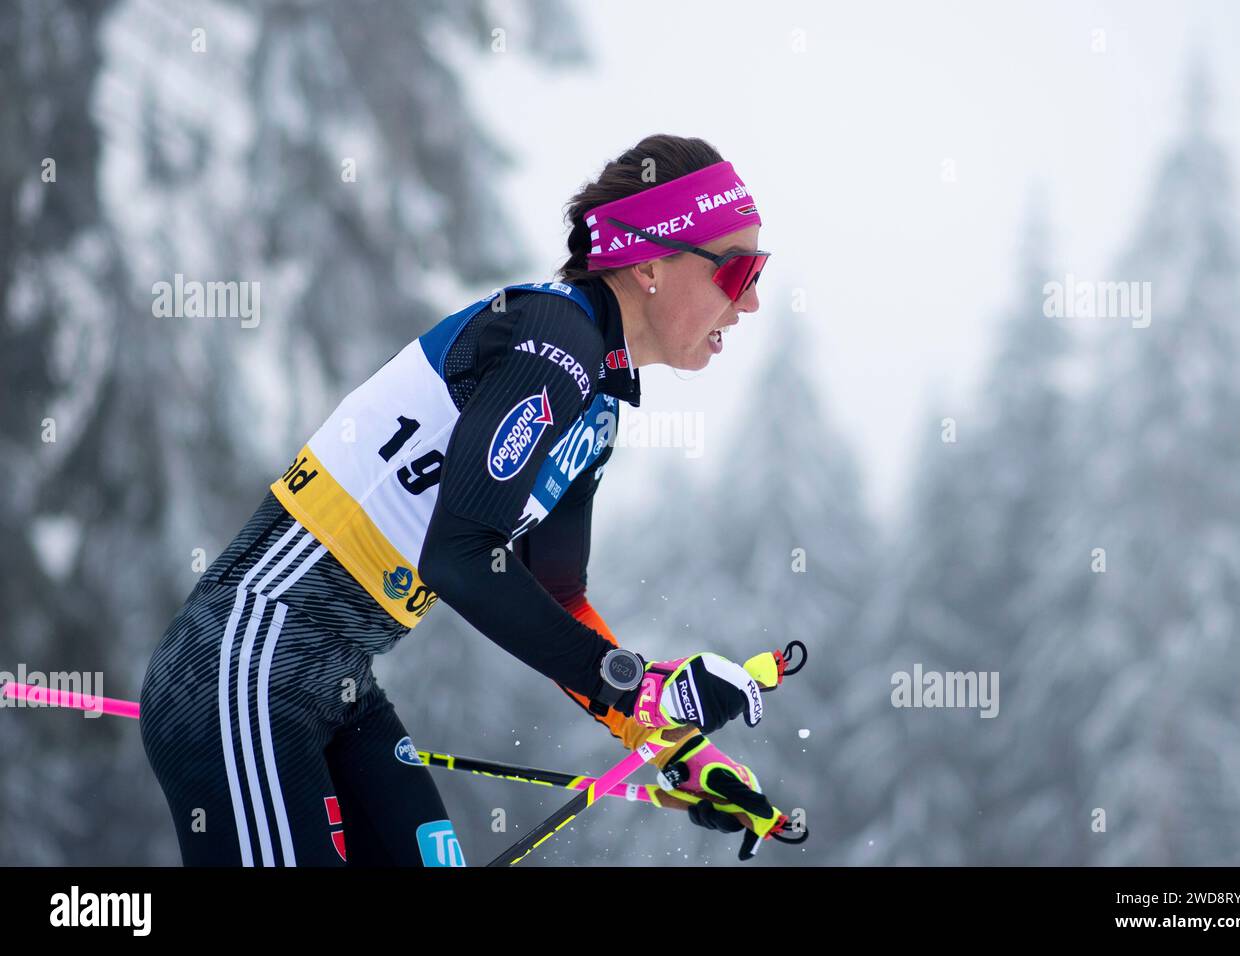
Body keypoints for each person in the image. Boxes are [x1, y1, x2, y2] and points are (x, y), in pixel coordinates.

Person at [139, 134, 785, 866]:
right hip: (247, 662)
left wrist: (667, 741)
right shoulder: (555, 337)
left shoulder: (596, 404)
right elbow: (461, 557)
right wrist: (640, 690)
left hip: (337, 683)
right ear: (648, 266)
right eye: (738, 270)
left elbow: (555, 597)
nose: (753, 300)